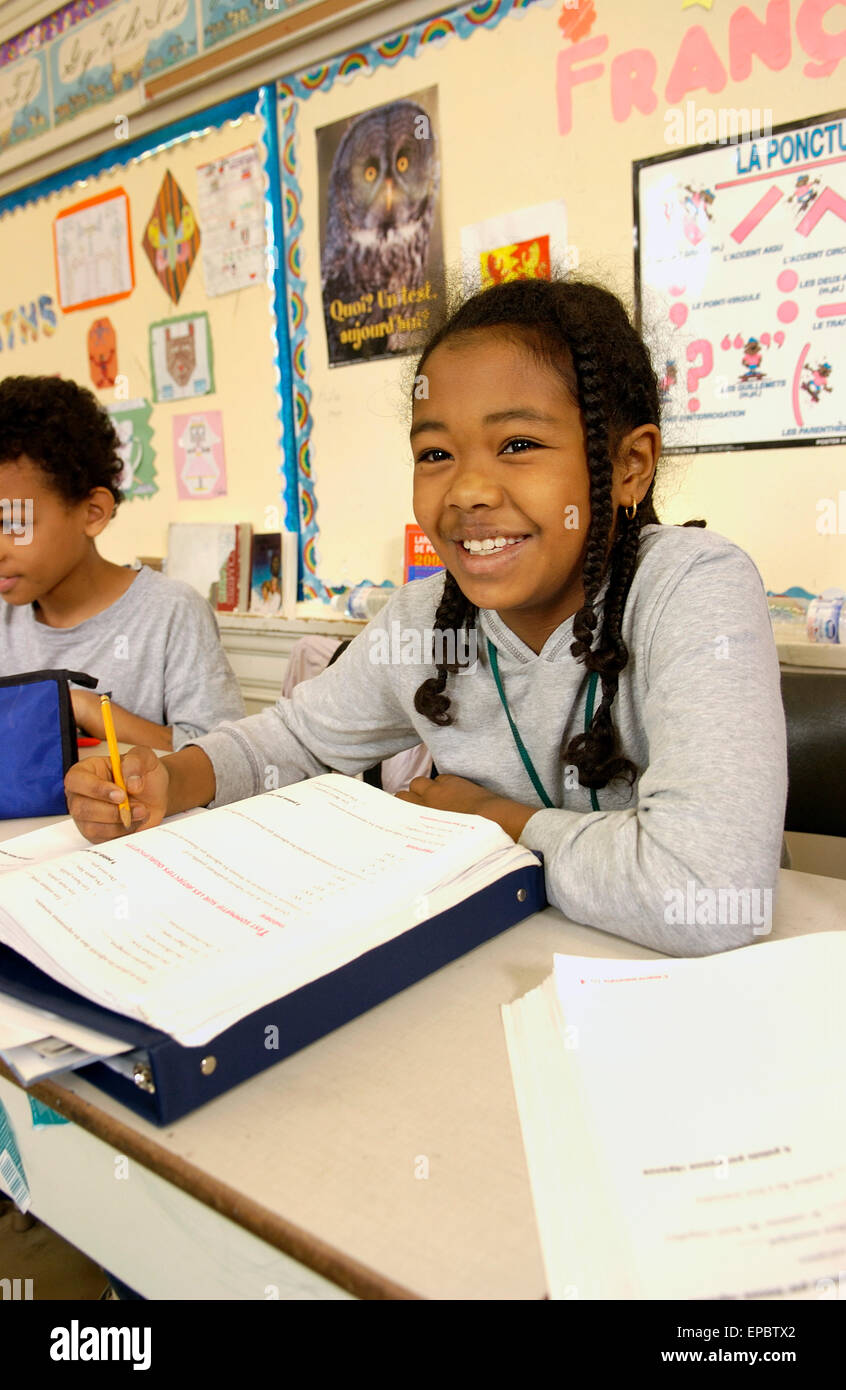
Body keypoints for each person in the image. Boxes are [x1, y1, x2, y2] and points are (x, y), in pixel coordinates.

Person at [64, 278, 787, 954]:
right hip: (508, 967)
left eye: (519, 446)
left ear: (630, 465)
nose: (469, 489)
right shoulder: (424, 619)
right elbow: (297, 740)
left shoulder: (694, 590)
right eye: (435, 452)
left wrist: (494, 820)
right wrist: (174, 777)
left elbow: (711, 888)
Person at [0, 376, 245, 750]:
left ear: (92, 512)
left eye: (12, 523)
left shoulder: (170, 612)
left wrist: (86, 709)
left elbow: (224, 759)